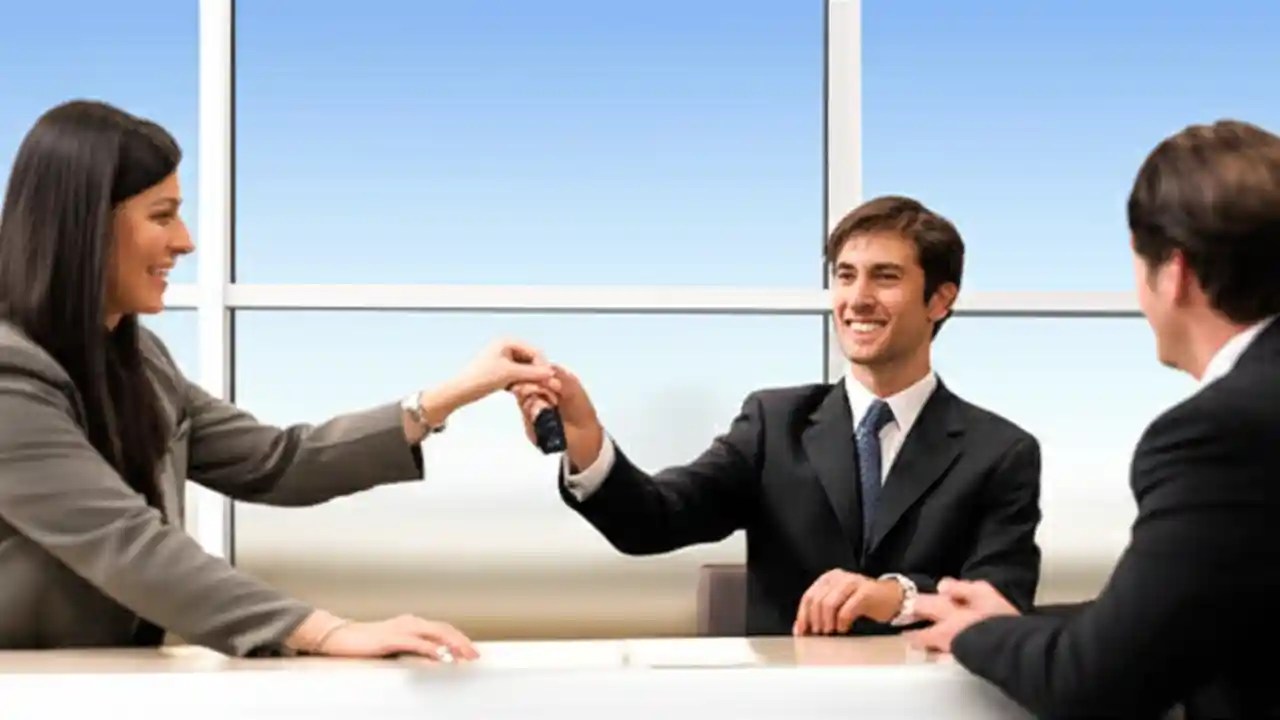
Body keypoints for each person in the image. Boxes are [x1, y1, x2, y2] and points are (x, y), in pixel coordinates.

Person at [0, 99, 556, 660]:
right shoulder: (8, 376)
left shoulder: (143, 362)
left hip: (103, 680)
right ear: (87, 223)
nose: (186, 241)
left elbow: (279, 461)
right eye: (162, 215)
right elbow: (122, 541)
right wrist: (325, 631)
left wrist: (446, 398)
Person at [510, 195, 1044, 636]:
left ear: (939, 300)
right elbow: (653, 519)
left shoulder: (1000, 453)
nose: (856, 299)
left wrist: (896, 596)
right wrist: (585, 437)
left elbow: (1001, 600)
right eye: (845, 276)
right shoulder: (774, 422)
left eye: (885, 277)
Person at [907, 120, 1280, 720]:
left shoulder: (1221, 431)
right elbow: (1187, 607)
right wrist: (1017, 624)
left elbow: (1096, 682)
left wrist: (969, 633)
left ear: (1175, 273)